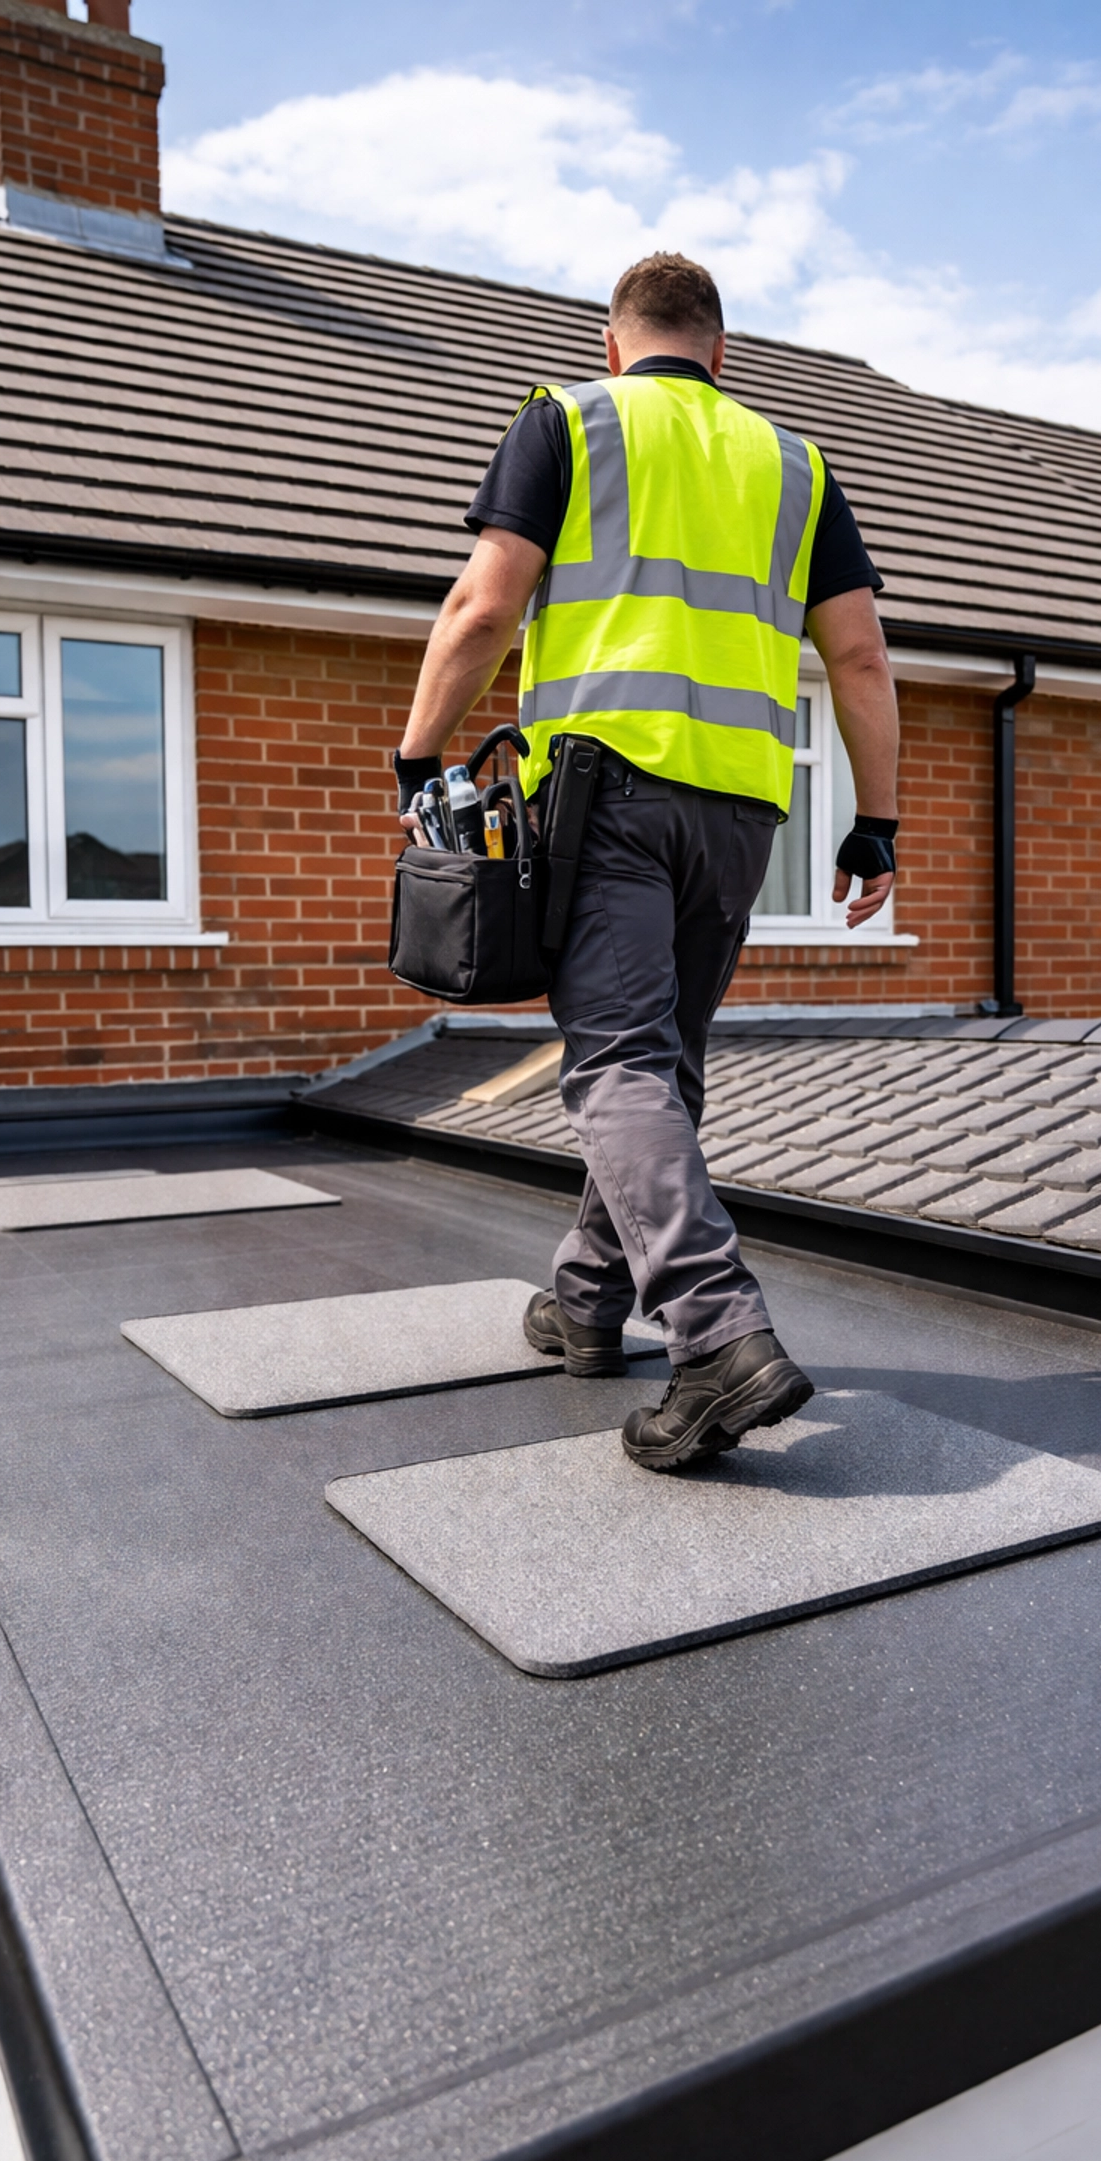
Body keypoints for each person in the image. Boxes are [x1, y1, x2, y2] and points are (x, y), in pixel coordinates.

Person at [392, 251, 900, 1472]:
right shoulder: (795, 463)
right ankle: (583, 1302)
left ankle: (719, 1339)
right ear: (723, 355)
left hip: (607, 796)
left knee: (615, 1061)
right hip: (740, 814)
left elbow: (484, 608)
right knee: (661, 1063)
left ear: (615, 345)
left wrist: (420, 760)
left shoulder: (568, 419)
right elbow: (864, 659)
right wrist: (875, 823)